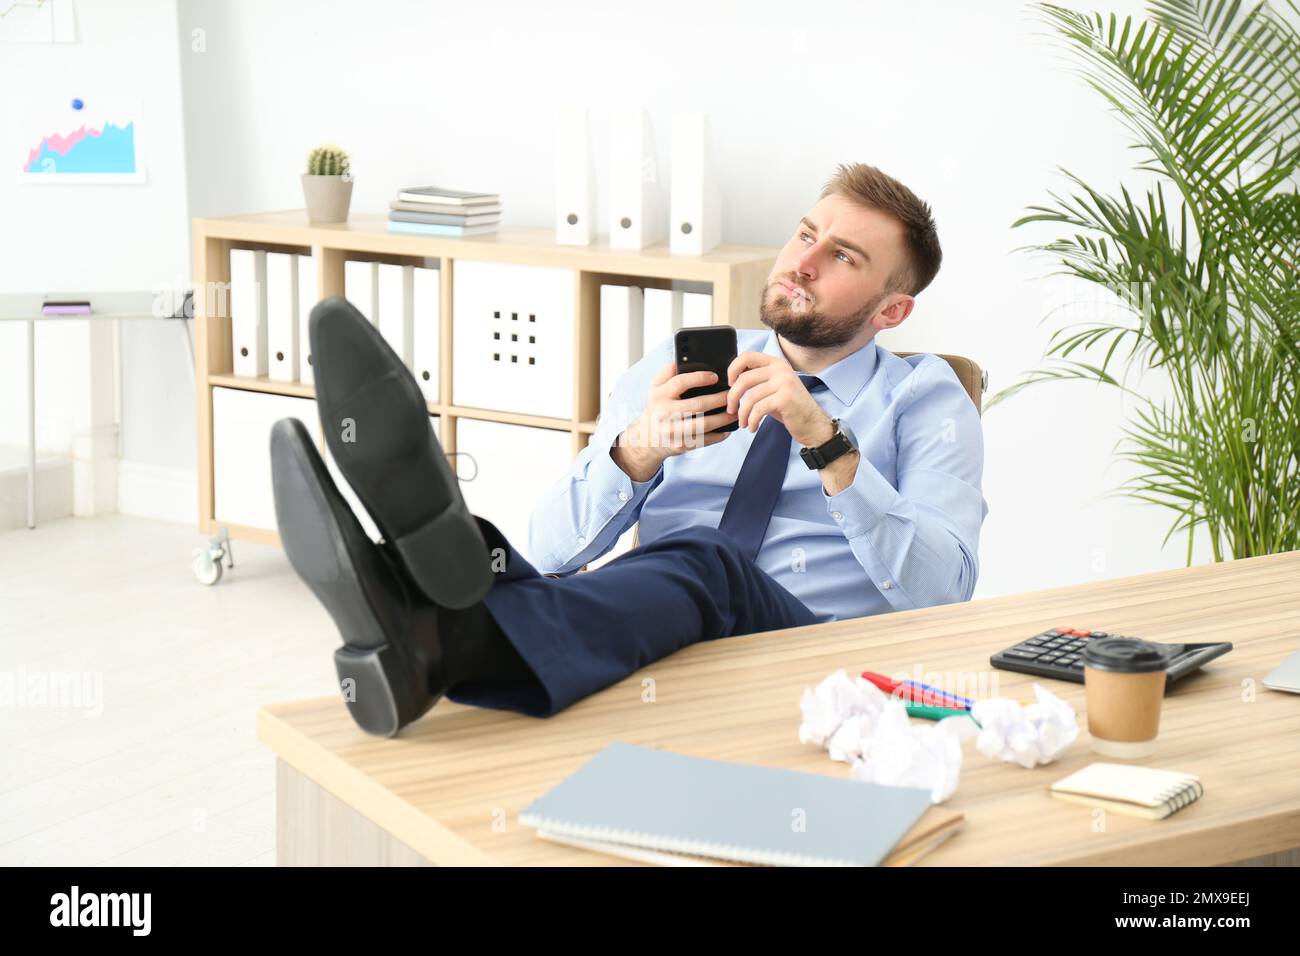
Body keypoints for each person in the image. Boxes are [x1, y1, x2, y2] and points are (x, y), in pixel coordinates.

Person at [270, 162, 988, 738]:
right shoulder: (675, 370)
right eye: (805, 235)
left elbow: (944, 592)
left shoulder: (924, 398)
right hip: (669, 640)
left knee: (708, 559)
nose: (804, 263)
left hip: (816, 665)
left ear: (891, 310)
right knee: (535, 577)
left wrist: (825, 442)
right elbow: (551, 547)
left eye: (842, 257)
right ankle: (421, 617)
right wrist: (639, 450)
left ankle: (433, 625)